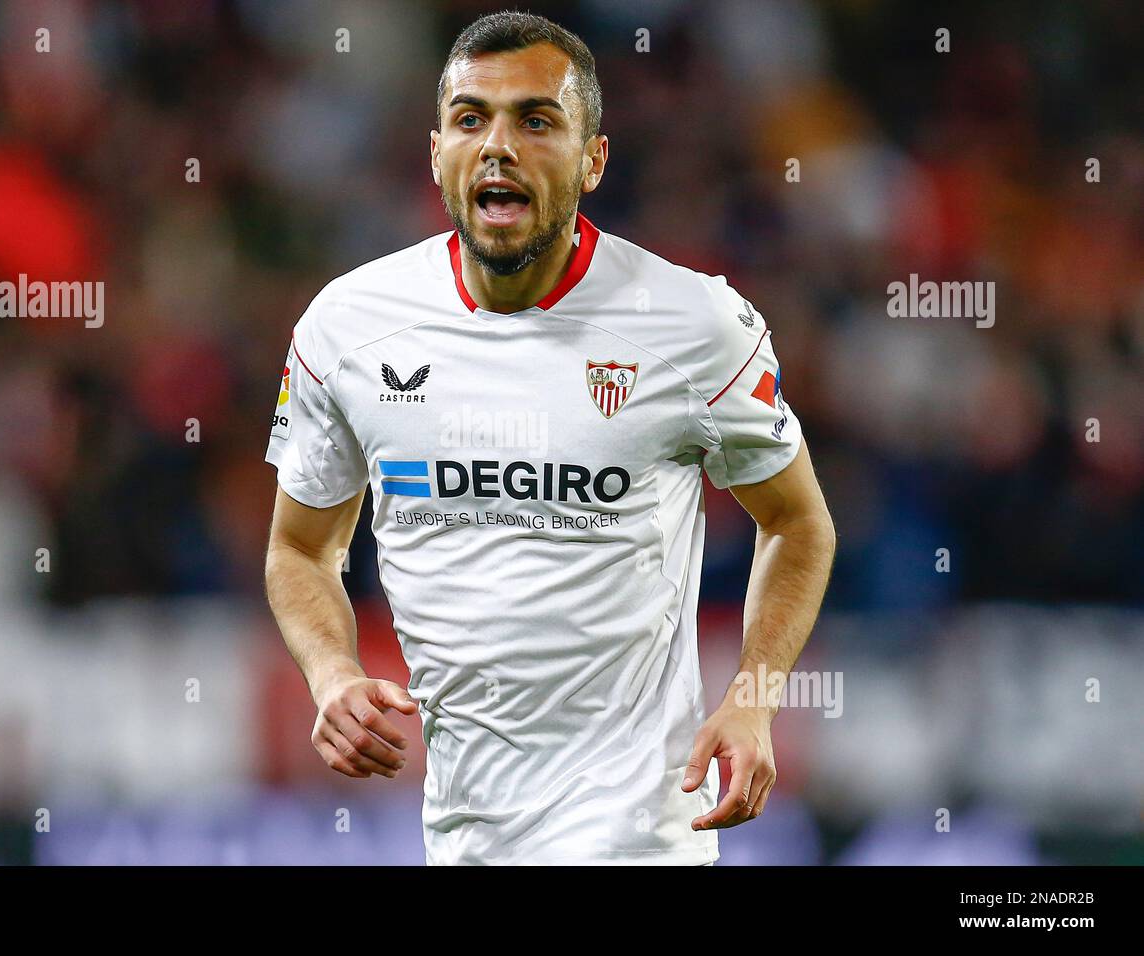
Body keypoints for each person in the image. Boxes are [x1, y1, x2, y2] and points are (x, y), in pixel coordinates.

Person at [264, 11, 836, 865]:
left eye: (536, 120)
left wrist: (751, 698)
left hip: (642, 844)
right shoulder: (346, 330)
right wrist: (333, 673)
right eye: (471, 119)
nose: (499, 146)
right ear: (436, 154)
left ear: (593, 159)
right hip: (462, 844)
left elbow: (798, 523)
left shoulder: (694, 326)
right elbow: (299, 550)